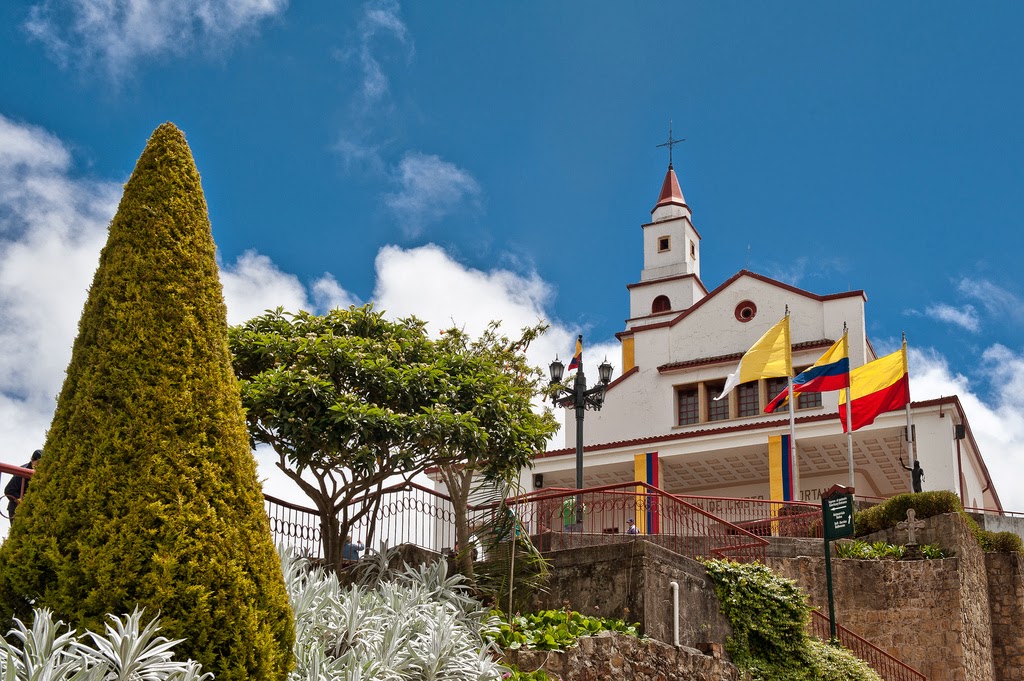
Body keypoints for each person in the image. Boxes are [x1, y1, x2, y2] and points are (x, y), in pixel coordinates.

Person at [5, 449, 41, 519]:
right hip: (16, 509)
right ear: (33, 460)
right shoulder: (22, 471)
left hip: (30, 510)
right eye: (38, 463)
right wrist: (22, 501)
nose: (40, 466)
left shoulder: (41, 472)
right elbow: (9, 490)